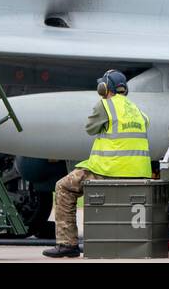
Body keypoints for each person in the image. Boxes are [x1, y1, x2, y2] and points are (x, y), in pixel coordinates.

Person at [43, 69, 152, 258]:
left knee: (63, 187)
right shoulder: (137, 110)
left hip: (109, 169)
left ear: (104, 88)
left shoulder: (106, 105)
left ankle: (67, 244)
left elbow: (90, 128)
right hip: (139, 172)